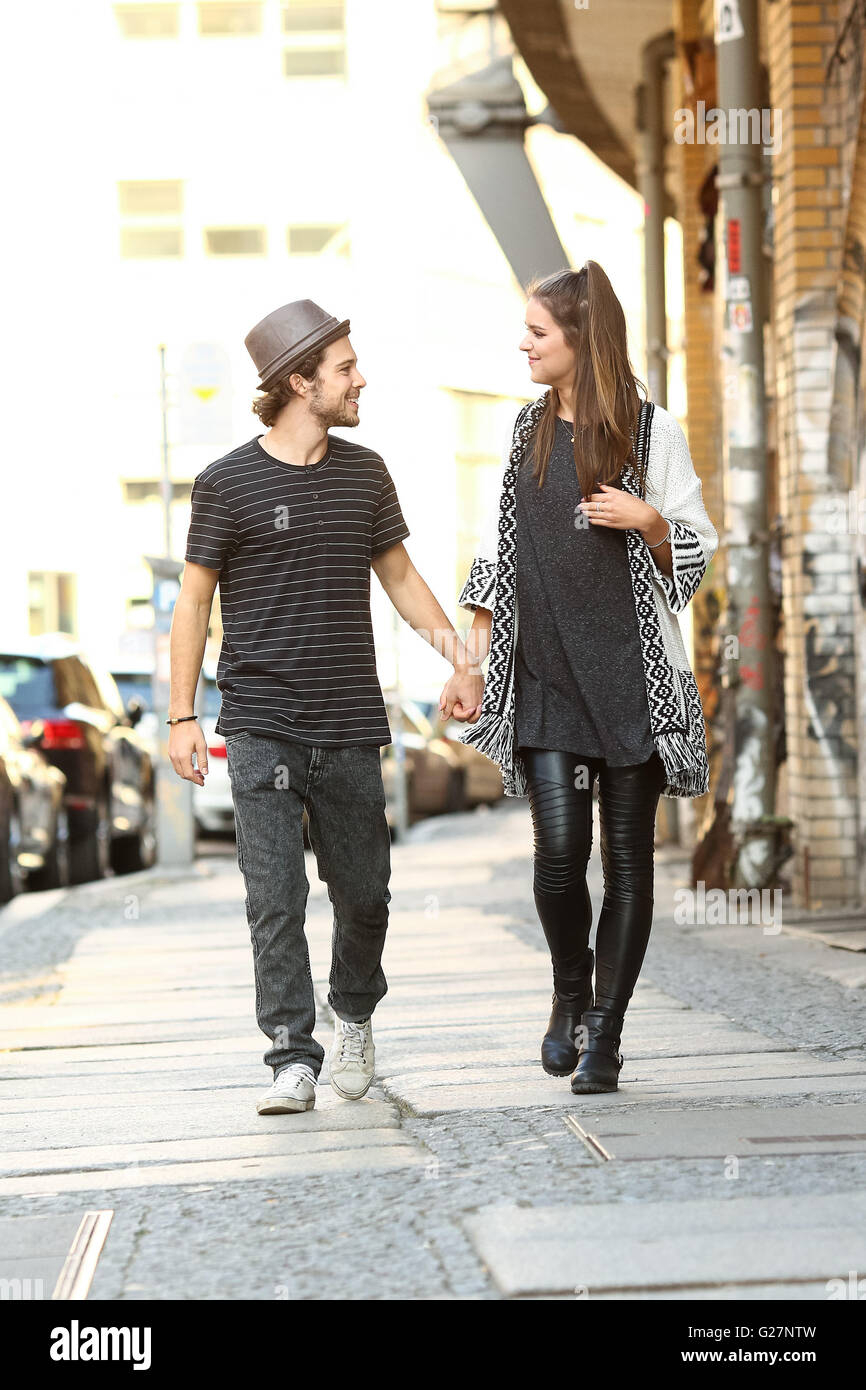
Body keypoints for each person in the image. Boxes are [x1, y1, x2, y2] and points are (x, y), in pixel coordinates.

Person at [169, 299, 481, 1116]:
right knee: (274, 896)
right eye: (345, 367)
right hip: (262, 722)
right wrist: (181, 716)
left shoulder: (365, 473)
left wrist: (460, 658)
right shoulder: (225, 484)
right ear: (299, 381)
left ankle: (355, 1012)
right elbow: (194, 604)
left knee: (365, 892)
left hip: (348, 724)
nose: (360, 378)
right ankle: (290, 1056)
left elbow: (403, 579)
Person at [450, 263, 718, 1094]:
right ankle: (570, 991)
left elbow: (698, 549)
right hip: (545, 679)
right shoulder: (524, 430)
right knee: (560, 858)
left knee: (629, 864)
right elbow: (498, 553)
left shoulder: (650, 433)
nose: (522, 344)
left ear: (580, 339)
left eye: (537, 332)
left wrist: (648, 520)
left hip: (631, 681)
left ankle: (606, 1031)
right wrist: (471, 656)